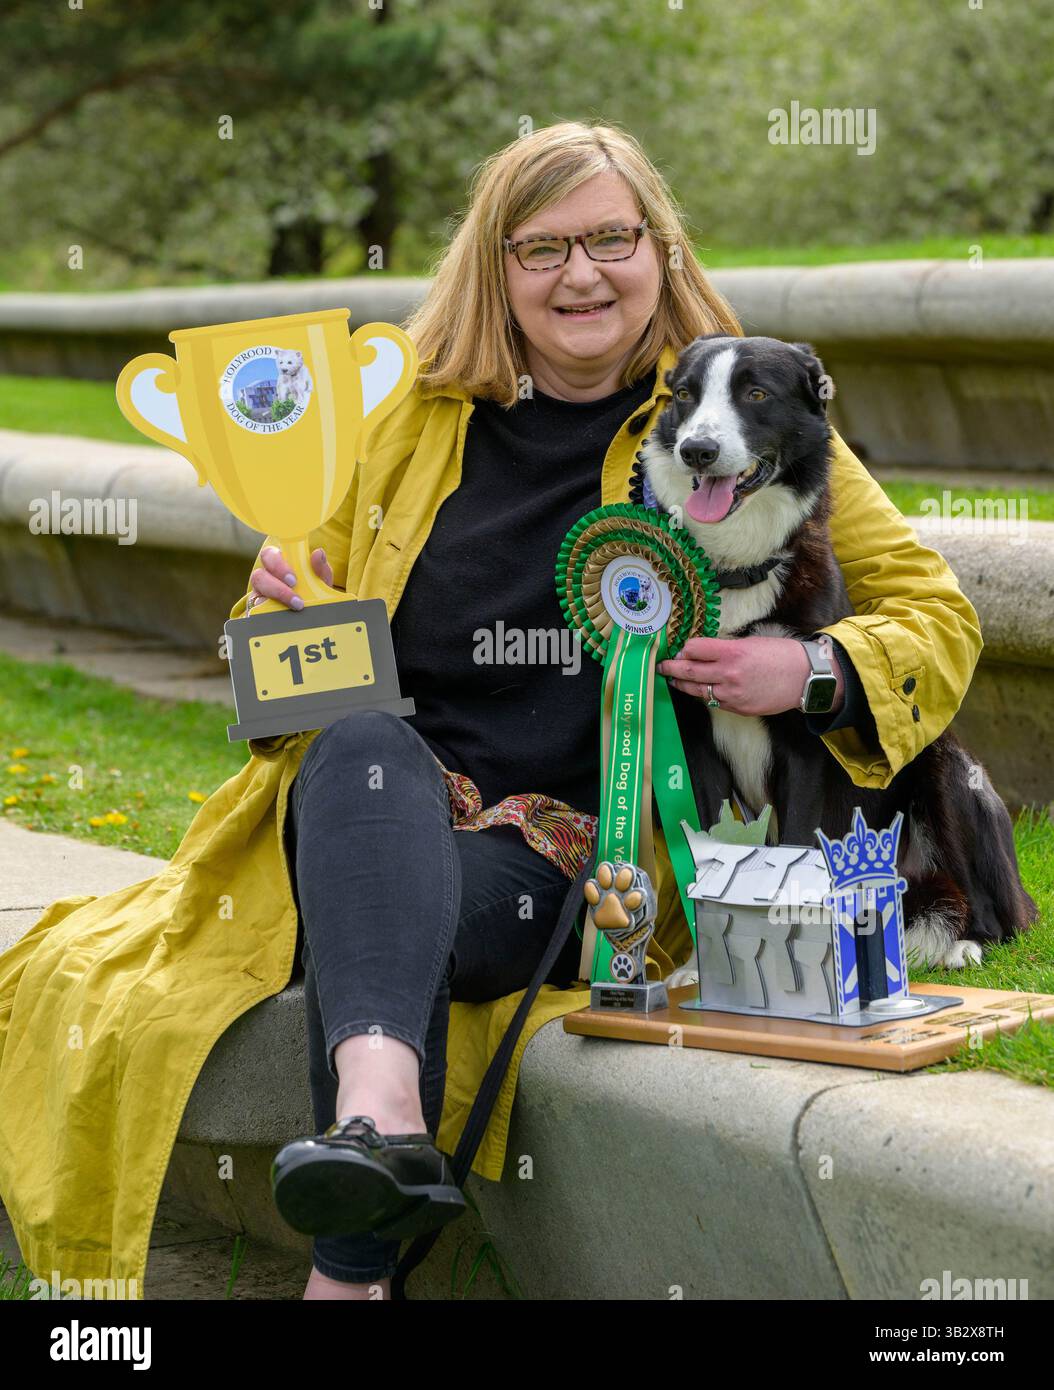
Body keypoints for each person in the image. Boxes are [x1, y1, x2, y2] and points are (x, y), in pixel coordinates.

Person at [0, 119, 981, 1303]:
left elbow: (936, 613)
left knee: (401, 904)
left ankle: (351, 1252)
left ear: (659, 252)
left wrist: (811, 669)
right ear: (494, 270)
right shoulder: (401, 420)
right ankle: (380, 1126)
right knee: (361, 745)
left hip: (564, 867)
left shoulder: (726, 425)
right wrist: (266, 620)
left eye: (611, 237)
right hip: (364, 814)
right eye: (541, 248)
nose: (580, 273)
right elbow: (281, 686)